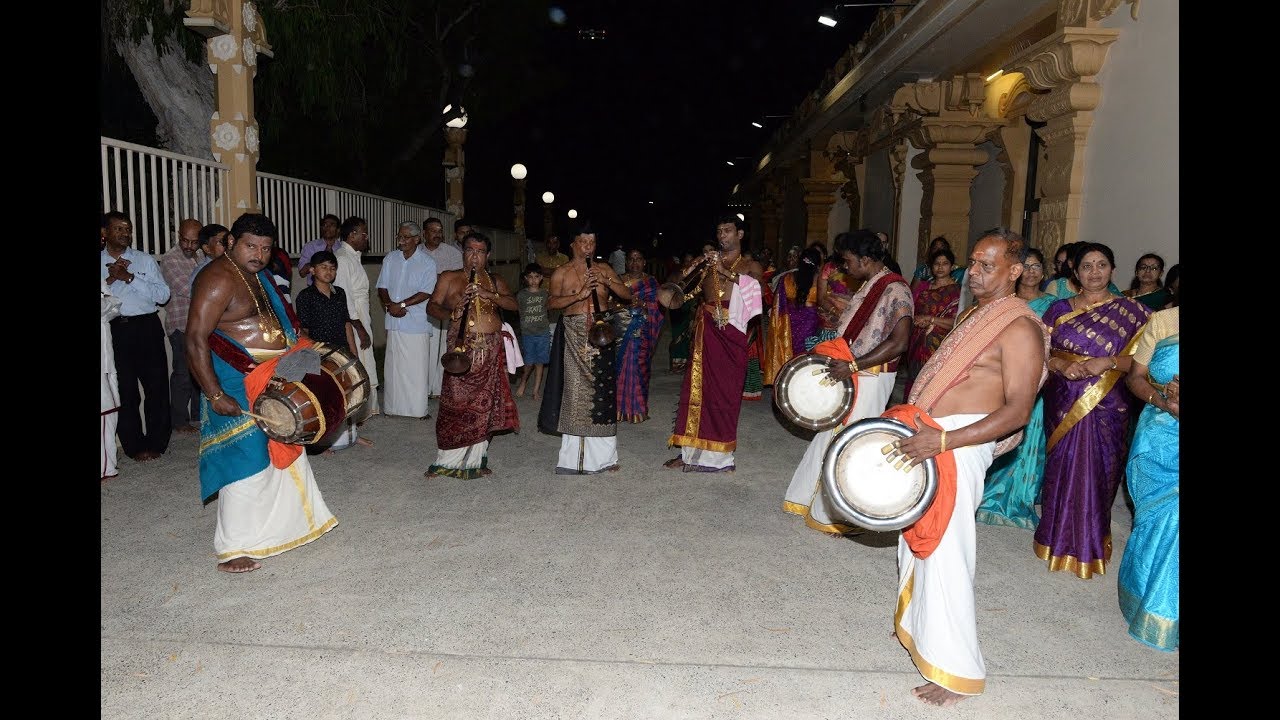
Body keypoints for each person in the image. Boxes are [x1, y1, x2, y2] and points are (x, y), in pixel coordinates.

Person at [879, 226, 1049, 707]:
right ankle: (917, 625)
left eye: (986, 265)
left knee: (949, 552)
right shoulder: (980, 313)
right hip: (933, 439)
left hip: (954, 445)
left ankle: (956, 671)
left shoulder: (1019, 327)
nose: (972, 273)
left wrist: (945, 439)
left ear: (1015, 271)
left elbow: (1017, 410)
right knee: (915, 540)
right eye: (972, 263)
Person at [185, 212, 338, 574]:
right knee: (246, 458)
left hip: (272, 373)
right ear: (231, 243)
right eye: (250, 246)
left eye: (266, 248)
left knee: (284, 441)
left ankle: (285, 529)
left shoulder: (258, 275)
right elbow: (194, 338)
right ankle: (233, 546)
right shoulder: (217, 278)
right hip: (235, 377)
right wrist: (213, 391)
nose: (259, 254)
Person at [1034, 242, 1152, 579]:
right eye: (1087, 266)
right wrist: (1058, 363)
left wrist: (1110, 361)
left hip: (1109, 402)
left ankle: (1091, 543)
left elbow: (1146, 360)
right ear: (1075, 272)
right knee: (1062, 465)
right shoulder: (1057, 310)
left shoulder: (1135, 312)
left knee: (1101, 469)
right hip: (1063, 397)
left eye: (1102, 265)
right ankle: (1053, 537)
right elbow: (1038, 350)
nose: (1095, 272)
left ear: (1113, 270)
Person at [782, 230, 912, 533]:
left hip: (870, 374)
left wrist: (854, 364)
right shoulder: (872, 283)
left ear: (866, 260)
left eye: (849, 261)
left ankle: (841, 514)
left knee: (851, 441)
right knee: (830, 434)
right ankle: (809, 501)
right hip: (853, 369)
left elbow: (900, 342)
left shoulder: (896, 289)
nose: (845, 268)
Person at [662, 214, 763, 473]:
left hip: (732, 331)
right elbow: (677, 283)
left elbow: (758, 293)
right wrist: (696, 263)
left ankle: (721, 458)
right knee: (696, 389)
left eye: (727, 231)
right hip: (706, 328)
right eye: (719, 231)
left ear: (740, 234)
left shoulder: (750, 265)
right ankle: (689, 453)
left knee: (725, 393)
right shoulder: (707, 262)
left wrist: (725, 272)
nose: (722, 236)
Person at [538, 219, 632, 474]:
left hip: (602, 332)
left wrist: (608, 281)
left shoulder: (604, 268)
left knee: (603, 394)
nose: (588, 247)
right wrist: (578, 296)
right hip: (574, 333)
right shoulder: (562, 272)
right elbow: (551, 304)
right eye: (583, 242)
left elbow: (627, 295)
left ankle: (605, 459)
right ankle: (572, 461)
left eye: (592, 242)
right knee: (575, 394)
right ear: (573, 244)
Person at [424, 231, 520, 478]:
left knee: (486, 406)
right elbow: (432, 306)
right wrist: (453, 312)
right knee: (454, 402)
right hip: (461, 350)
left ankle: (476, 459)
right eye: (469, 250)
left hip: (490, 350)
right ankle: (446, 460)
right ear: (463, 253)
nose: (474, 256)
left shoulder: (495, 280)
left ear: (487, 255)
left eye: (479, 252)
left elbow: (513, 304)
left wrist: (491, 296)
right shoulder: (450, 277)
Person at [975, 248, 1056, 529]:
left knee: (1031, 434)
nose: (1032, 271)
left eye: (1037, 266)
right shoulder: (1004, 303)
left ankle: (1021, 495)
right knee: (998, 427)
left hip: (1038, 379)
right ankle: (991, 489)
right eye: (1027, 266)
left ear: (1044, 273)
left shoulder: (1055, 305)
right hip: (1001, 376)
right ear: (1016, 271)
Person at [1117, 305, 1179, 652]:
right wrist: (1162, 401)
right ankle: (1148, 599)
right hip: (1160, 437)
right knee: (1160, 519)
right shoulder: (1164, 321)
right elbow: (1135, 377)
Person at [102, 210, 172, 462]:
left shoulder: (144, 261)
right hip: (114, 330)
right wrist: (111, 277)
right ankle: (133, 445)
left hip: (147, 327)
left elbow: (163, 296)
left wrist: (129, 278)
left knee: (156, 387)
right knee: (124, 389)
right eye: (118, 228)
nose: (125, 233)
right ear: (104, 233)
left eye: (127, 228)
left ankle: (157, 442)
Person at [293, 250, 372, 453]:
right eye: (323, 267)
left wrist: (352, 354)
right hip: (319, 353)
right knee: (325, 397)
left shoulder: (340, 293)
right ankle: (324, 442)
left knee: (347, 392)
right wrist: (313, 353)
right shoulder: (306, 297)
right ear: (312, 270)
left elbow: (346, 324)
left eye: (332, 268)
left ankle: (351, 436)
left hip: (341, 350)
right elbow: (304, 330)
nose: (329, 272)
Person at [376, 221, 439, 419]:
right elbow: (382, 286)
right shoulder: (391, 258)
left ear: (416, 239)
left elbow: (426, 292)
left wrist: (401, 305)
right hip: (394, 321)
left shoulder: (427, 262)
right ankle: (393, 408)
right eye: (399, 237)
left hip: (416, 322)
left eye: (405, 237)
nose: (401, 241)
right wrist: (389, 305)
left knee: (416, 368)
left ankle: (418, 410)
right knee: (394, 367)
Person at [159, 218, 204, 433]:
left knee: (200, 371)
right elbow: (189, 289)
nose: (189, 246)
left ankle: (197, 415)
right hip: (181, 324)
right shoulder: (170, 259)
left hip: (200, 325)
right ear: (179, 236)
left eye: (194, 242)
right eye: (185, 241)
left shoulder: (202, 255)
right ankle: (179, 421)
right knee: (183, 374)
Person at [333, 216, 380, 417]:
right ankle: (358, 411)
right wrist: (359, 328)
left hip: (360, 315)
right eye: (364, 233)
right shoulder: (343, 258)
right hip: (354, 319)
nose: (366, 237)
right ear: (352, 235)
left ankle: (367, 408)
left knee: (366, 360)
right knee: (359, 361)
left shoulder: (352, 256)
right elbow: (345, 297)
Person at [903, 246, 960, 400]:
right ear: (931, 267)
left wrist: (932, 320)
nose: (940, 267)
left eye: (945, 263)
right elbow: (913, 312)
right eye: (937, 263)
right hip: (918, 341)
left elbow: (958, 321)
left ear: (952, 266)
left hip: (940, 344)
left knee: (933, 386)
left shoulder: (958, 291)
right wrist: (918, 321)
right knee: (914, 381)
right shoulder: (923, 287)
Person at [615, 249, 664, 422]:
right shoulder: (618, 280)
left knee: (639, 368)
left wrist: (642, 304)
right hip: (620, 332)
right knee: (618, 368)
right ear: (626, 262)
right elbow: (611, 303)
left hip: (641, 333)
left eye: (638, 259)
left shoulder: (651, 282)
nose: (635, 262)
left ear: (644, 262)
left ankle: (637, 410)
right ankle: (617, 409)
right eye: (631, 259)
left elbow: (658, 308)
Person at [421, 217, 465, 399]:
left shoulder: (452, 253)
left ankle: (439, 387)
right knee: (426, 346)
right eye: (433, 231)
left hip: (444, 304)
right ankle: (424, 386)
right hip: (422, 304)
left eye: (440, 231)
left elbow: (456, 278)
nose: (437, 234)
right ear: (424, 233)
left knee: (442, 345)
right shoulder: (417, 252)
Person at [761, 244, 802, 386]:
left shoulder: (802, 275)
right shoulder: (781, 274)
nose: (791, 259)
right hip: (780, 315)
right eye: (789, 256)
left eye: (795, 257)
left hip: (797, 317)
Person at [515, 263, 551, 400]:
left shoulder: (545, 294)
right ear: (525, 278)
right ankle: (523, 382)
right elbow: (519, 312)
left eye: (536, 277)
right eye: (530, 277)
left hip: (543, 333)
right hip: (528, 334)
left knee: (540, 362)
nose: (533, 280)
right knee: (528, 362)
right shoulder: (521, 295)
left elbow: (549, 309)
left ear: (541, 278)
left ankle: (536, 390)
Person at [664, 251, 699, 373]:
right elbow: (668, 287)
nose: (689, 263)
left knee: (689, 335)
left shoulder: (698, 275)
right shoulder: (677, 274)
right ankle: (675, 363)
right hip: (677, 307)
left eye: (691, 261)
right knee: (677, 336)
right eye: (686, 261)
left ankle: (686, 364)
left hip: (691, 307)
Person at [102, 279, 123, 481]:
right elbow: (108, 304)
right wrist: (108, 301)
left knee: (108, 412)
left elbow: (115, 307)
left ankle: (107, 466)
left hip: (105, 361)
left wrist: (109, 301)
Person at [297, 213, 343, 285]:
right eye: (325, 225)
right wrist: (319, 261)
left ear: (338, 230)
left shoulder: (342, 248)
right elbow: (302, 273)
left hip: (338, 288)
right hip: (315, 290)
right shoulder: (310, 246)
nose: (327, 227)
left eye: (332, 225)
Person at [191, 223, 229, 288]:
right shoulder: (202, 273)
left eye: (228, 241)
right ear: (207, 248)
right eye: (222, 242)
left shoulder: (231, 266)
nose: (227, 245)